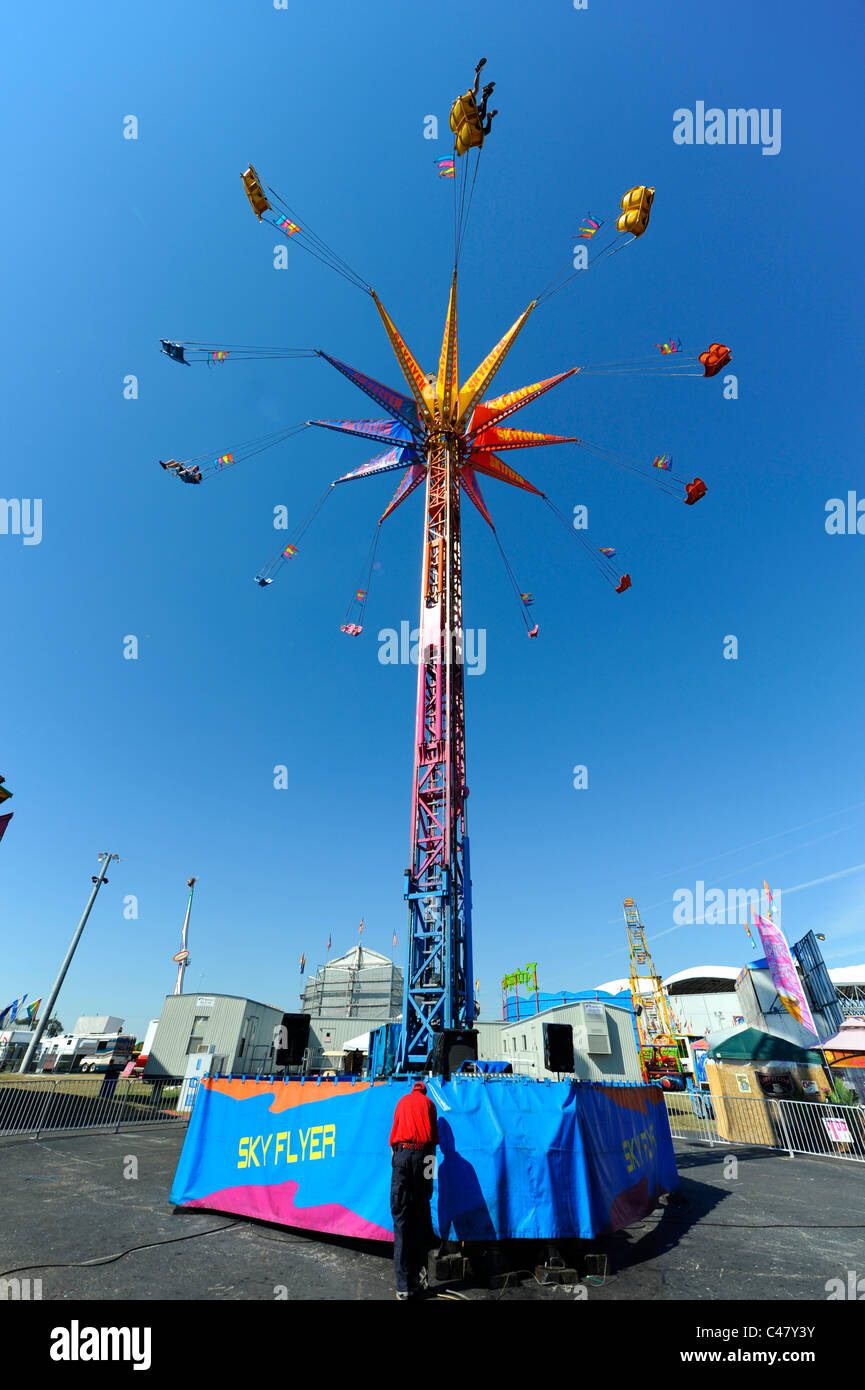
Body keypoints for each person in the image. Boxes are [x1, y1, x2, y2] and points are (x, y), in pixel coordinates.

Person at [390, 1080, 438, 1300]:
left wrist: (398, 1164)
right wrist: (429, 1181)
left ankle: (403, 1287)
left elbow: (393, 1144)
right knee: (420, 1216)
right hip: (422, 1156)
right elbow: (432, 1146)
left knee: (400, 1219)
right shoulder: (429, 1104)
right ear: (424, 1091)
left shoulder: (402, 1102)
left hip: (402, 1155)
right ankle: (418, 1281)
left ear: (413, 1089)